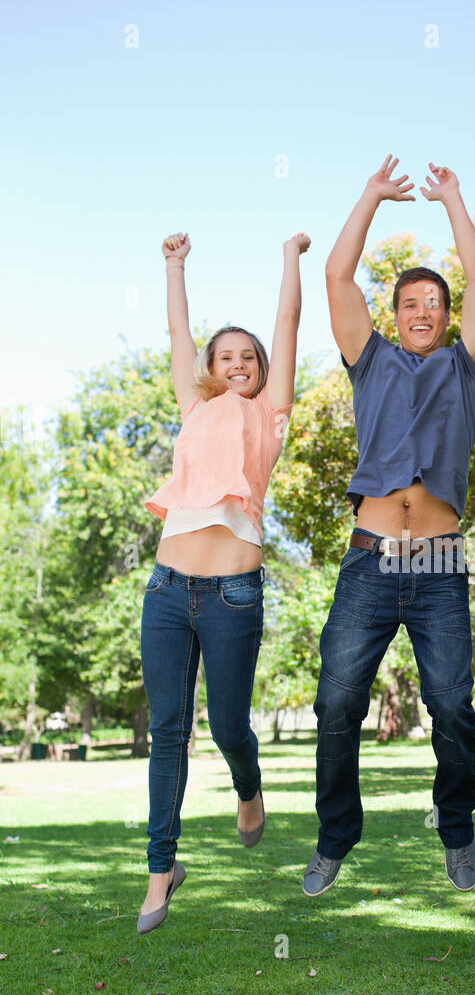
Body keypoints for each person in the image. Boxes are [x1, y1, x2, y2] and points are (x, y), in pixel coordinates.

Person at [304, 155, 475, 897]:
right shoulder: (371, 360)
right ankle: (334, 839)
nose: (423, 312)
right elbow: (335, 276)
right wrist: (371, 197)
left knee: (451, 703)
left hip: (442, 565)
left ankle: (456, 831)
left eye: (434, 304)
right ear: (395, 315)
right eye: (410, 302)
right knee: (337, 702)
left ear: (447, 318)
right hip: (370, 560)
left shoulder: (465, 368)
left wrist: (453, 196)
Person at [137, 229, 309, 933]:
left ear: (260, 369)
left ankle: (249, 787)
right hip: (167, 589)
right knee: (169, 733)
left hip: (235, 595)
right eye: (225, 356)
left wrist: (290, 261)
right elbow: (177, 328)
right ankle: (159, 872)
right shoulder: (194, 405)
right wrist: (175, 266)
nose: (237, 364)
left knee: (229, 725)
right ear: (210, 368)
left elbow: (289, 324)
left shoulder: (270, 414)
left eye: (248, 357)